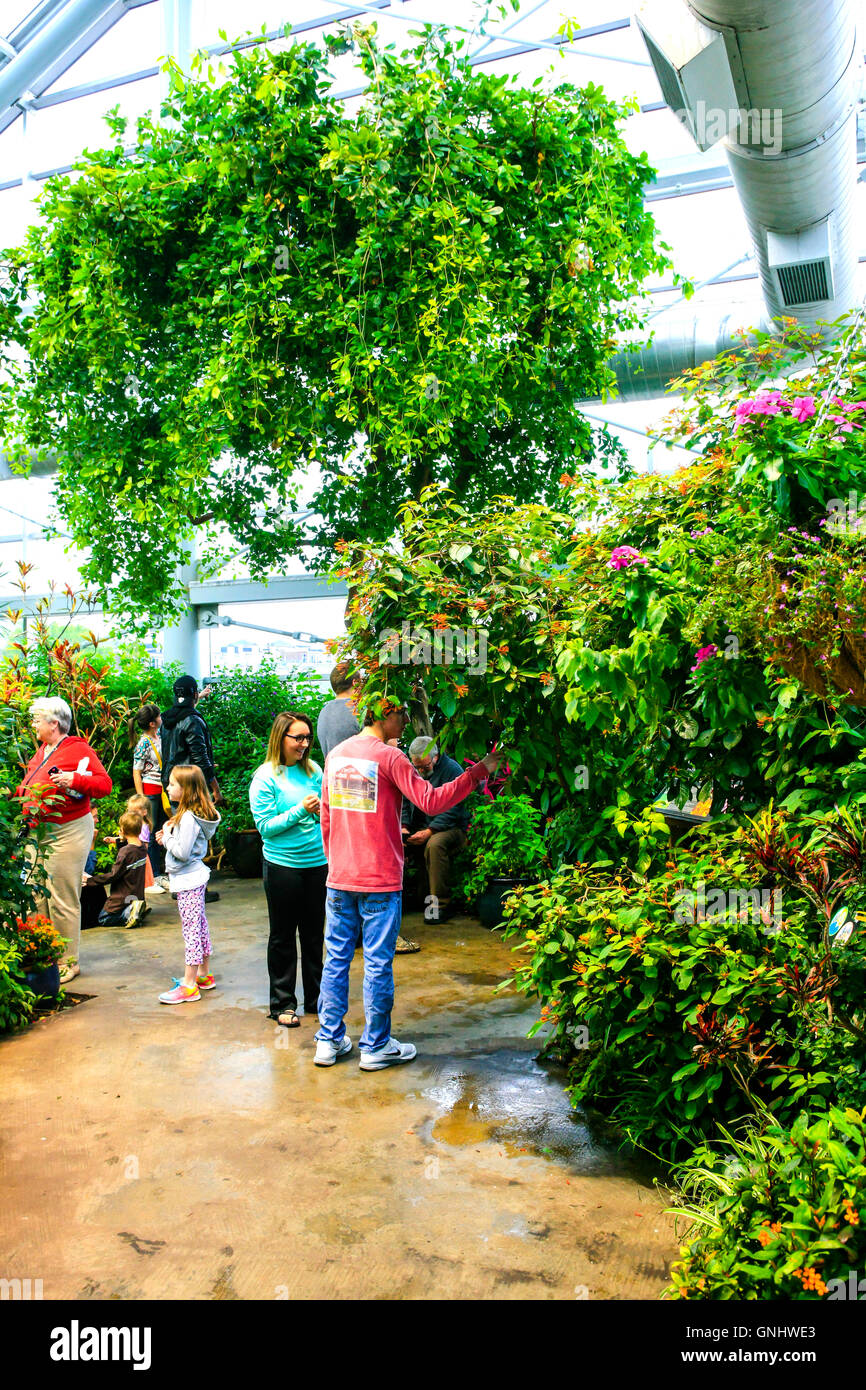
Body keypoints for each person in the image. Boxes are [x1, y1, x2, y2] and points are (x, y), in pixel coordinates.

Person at [315, 698, 501, 1070]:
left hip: (340, 878)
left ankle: (328, 1040)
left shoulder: (336, 755)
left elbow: (327, 815)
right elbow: (431, 801)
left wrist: (335, 862)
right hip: (379, 880)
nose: (406, 722)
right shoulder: (390, 758)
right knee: (378, 963)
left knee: (335, 959)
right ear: (383, 714)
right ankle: (375, 1046)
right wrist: (478, 771)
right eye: (401, 714)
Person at [16, 696, 113, 984]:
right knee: (35, 894)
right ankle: (43, 956)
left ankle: (68, 962)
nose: (33, 725)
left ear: (54, 724)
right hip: (39, 832)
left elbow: (103, 785)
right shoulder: (44, 750)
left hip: (68, 830)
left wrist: (74, 780)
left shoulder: (78, 749)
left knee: (61, 897)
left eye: (37, 720)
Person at [249, 712, 327, 1029]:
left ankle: (316, 999)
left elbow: (325, 816)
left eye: (308, 738)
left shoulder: (314, 772)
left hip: (317, 864)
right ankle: (282, 1003)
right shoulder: (266, 777)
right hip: (283, 867)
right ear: (280, 738)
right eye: (298, 738)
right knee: (283, 937)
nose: (304, 744)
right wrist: (301, 810)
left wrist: (322, 812)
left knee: (313, 936)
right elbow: (266, 828)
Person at [154, 765, 220, 1005]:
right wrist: (169, 837)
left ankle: (190, 984)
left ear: (187, 789)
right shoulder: (190, 815)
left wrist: (168, 837)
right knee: (199, 925)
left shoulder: (189, 818)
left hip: (188, 880)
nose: (168, 787)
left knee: (191, 931)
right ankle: (204, 975)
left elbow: (181, 851)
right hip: (193, 878)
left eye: (172, 784)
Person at [161, 675, 223, 902]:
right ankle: (196, 889)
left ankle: (180, 886)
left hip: (172, 782)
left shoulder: (167, 718)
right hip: (191, 784)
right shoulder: (193, 721)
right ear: (195, 694)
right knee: (193, 838)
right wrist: (215, 789)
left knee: (180, 834)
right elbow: (201, 757)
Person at [401, 736, 471, 923]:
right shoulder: (412, 771)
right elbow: (405, 801)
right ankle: (400, 900)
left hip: (452, 828)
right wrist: (405, 827)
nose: (421, 771)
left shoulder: (453, 770)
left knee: (434, 845)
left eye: (425, 766)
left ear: (436, 757)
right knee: (395, 841)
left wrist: (430, 831)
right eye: (418, 767)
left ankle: (441, 906)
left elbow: (455, 808)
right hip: (421, 828)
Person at [84, 810, 149, 927]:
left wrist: (90, 881)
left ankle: (128, 913)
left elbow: (113, 875)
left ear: (123, 830)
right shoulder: (142, 847)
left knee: (103, 918)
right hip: (136, 894)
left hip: (124, 895)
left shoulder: (126, 852)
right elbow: (131, 848)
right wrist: (118, 840)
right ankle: (135, 910)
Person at [130, 703, 168, 885]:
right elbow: (137, 771)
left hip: (164, 790)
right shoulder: (143, 743)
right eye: (159, 716)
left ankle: (164, 870)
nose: (162, 717)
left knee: (164, 828)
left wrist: (198, 697)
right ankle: (155, 874)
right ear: (152, 723)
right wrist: (141, 798)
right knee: (152, 833)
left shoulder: (160, 734)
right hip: (151, 790)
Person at [316, 662, 362, 761]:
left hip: (332, 774)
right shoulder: (358, 710)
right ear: (355, 682)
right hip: (359, 774)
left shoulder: (324, 712)